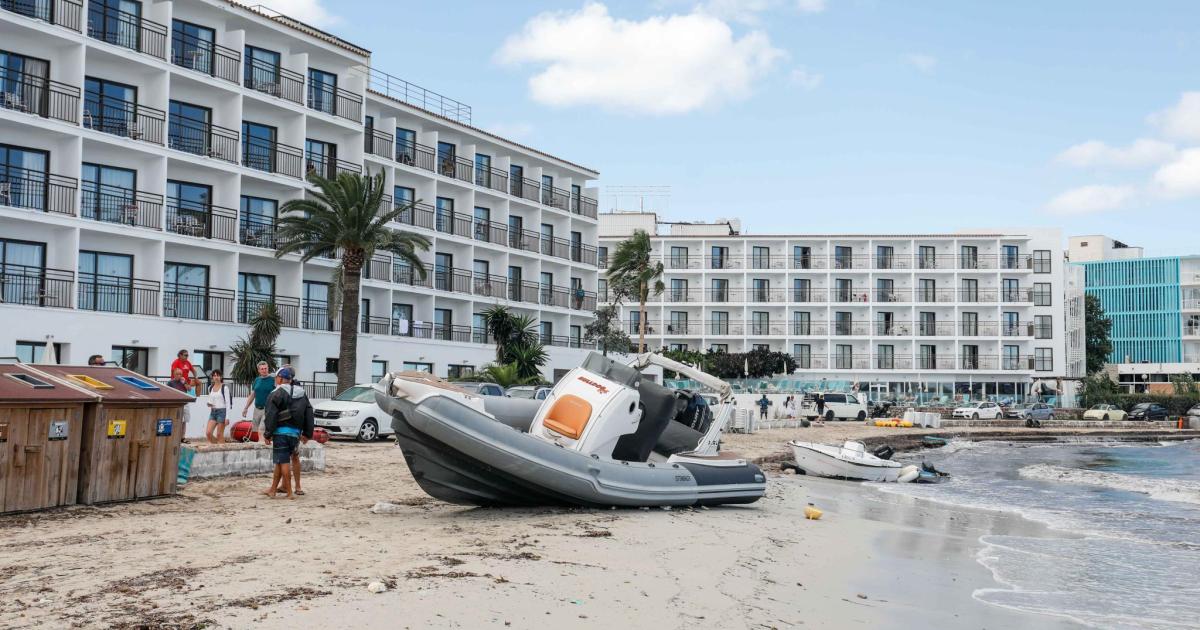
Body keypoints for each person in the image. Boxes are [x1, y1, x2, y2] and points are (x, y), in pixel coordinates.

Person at [262, 367, 313, 499]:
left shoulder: (276, 393)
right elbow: (309, 413)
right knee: (283, 461)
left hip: (281, 433)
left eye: (276, 378)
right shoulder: (301, 393)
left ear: (279, 379)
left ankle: (289, 492)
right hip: (295, 434)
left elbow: (271, 415)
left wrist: (268, 434)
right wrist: (307, 433)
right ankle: (274, 489)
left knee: (283, 462)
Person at [242, 362, 275, 443]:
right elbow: (253, 395)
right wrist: (246, 408)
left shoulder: (273, 380)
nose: (264, 370)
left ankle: (261, 448)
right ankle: (266, 445)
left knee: (261, 430)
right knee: (257, 431)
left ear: (268, 369)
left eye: (265, 368)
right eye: (262, 369)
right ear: (259, 370)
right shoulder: (257, 380)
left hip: (268, 409)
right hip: (257, 409)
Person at [205, 369, 232, 444]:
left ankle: (221, 449)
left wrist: (227, 417)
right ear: (212, 377)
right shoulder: (210, 388)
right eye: (214, 376)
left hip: (222, 412)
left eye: (218, 375)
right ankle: (217, 446)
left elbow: (228, 403)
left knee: (219, 435)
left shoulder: (224, 388)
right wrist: (209, 404)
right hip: (213, 412)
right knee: (208, 433)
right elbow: (210, 400)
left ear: (221, 377)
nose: (216, 377)